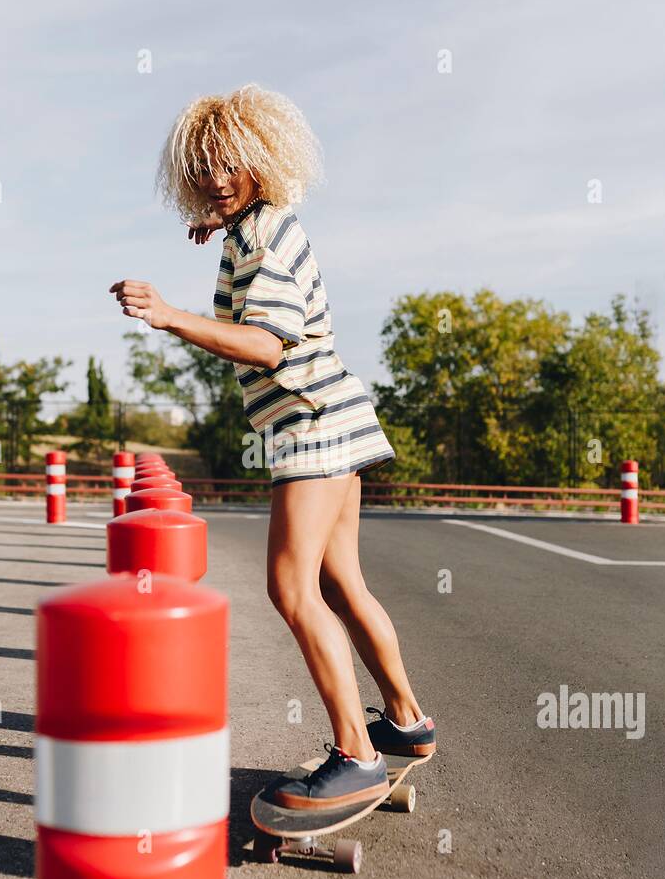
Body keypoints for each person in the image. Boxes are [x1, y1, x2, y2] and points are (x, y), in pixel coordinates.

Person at [110, 83, 433, 809]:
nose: (215, 179)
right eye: (203, 168)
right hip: (339, 413)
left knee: (291, 588)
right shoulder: (266, 223)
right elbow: (256, 264)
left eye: (229, 163)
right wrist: (217, 228)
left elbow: (263, 344)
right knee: (340, 583)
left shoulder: (259, 240)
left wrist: (168, 315)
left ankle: (356, 754)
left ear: (262, 158)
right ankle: (407, 724)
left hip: (310, 426)